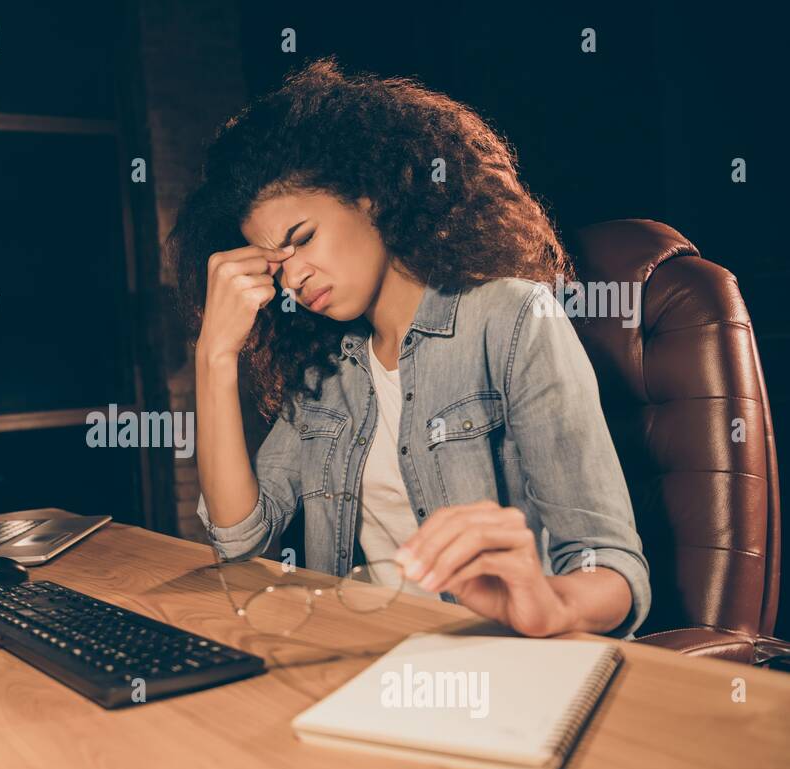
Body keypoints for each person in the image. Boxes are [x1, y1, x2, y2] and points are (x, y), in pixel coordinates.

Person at [165, 57, 650, 638]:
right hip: (357, 655)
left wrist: (551, 603)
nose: (291, 278)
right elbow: (241, 540)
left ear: (371, 197)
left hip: (493, 666)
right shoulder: (326, 369)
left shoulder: (513, 317)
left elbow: (611, 566)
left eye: (303, 239)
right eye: (276, 262)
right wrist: (213, 355)